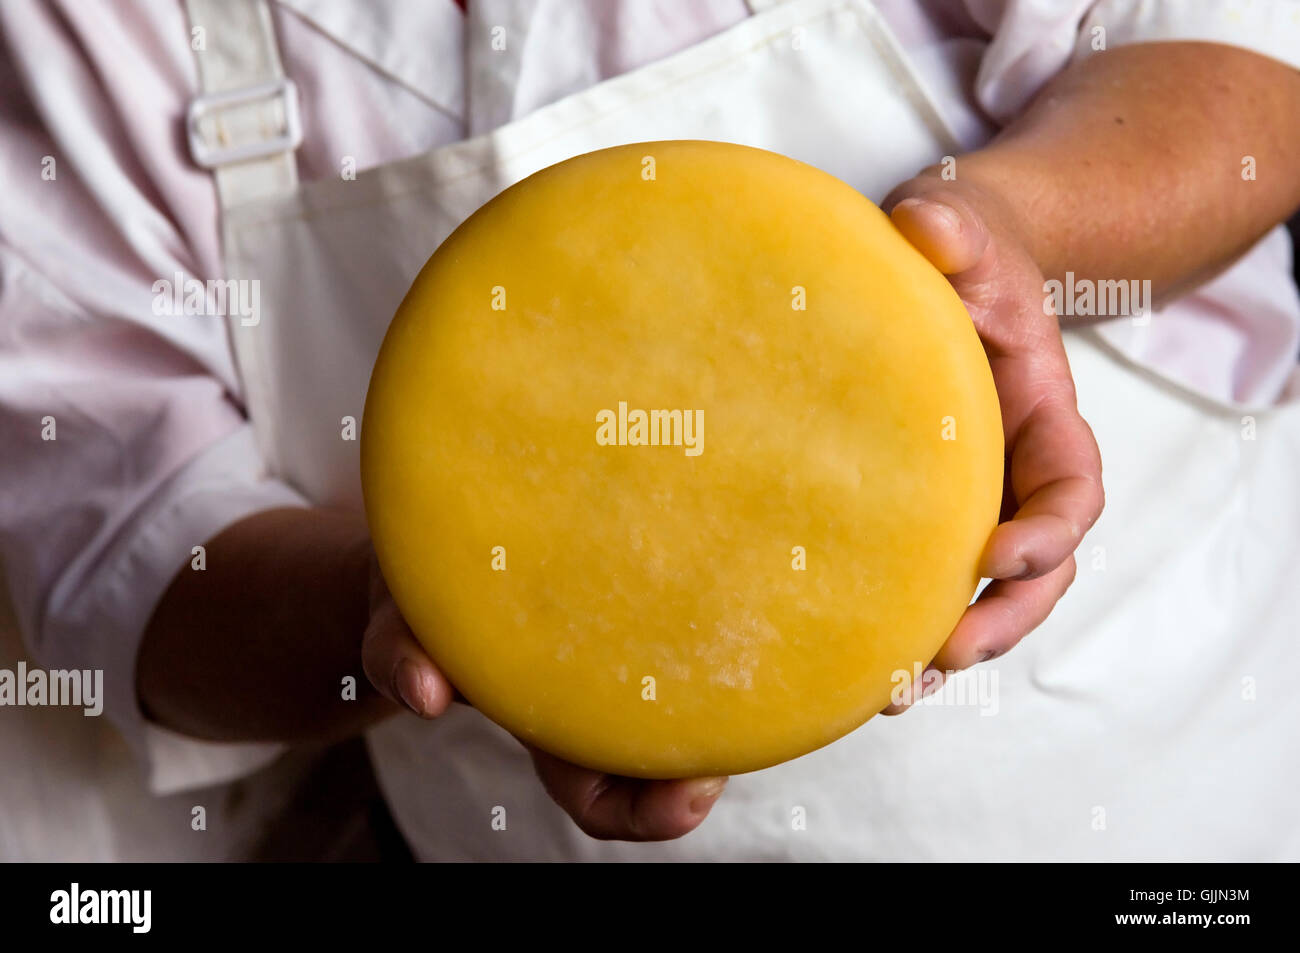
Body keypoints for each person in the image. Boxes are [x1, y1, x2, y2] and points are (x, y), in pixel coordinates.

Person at [2, 0, 1299, 860]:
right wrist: (426, 607)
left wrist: (1014, 233)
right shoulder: (86, 28)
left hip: (1163, 792)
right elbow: (125, 548)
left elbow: (1238, 68)